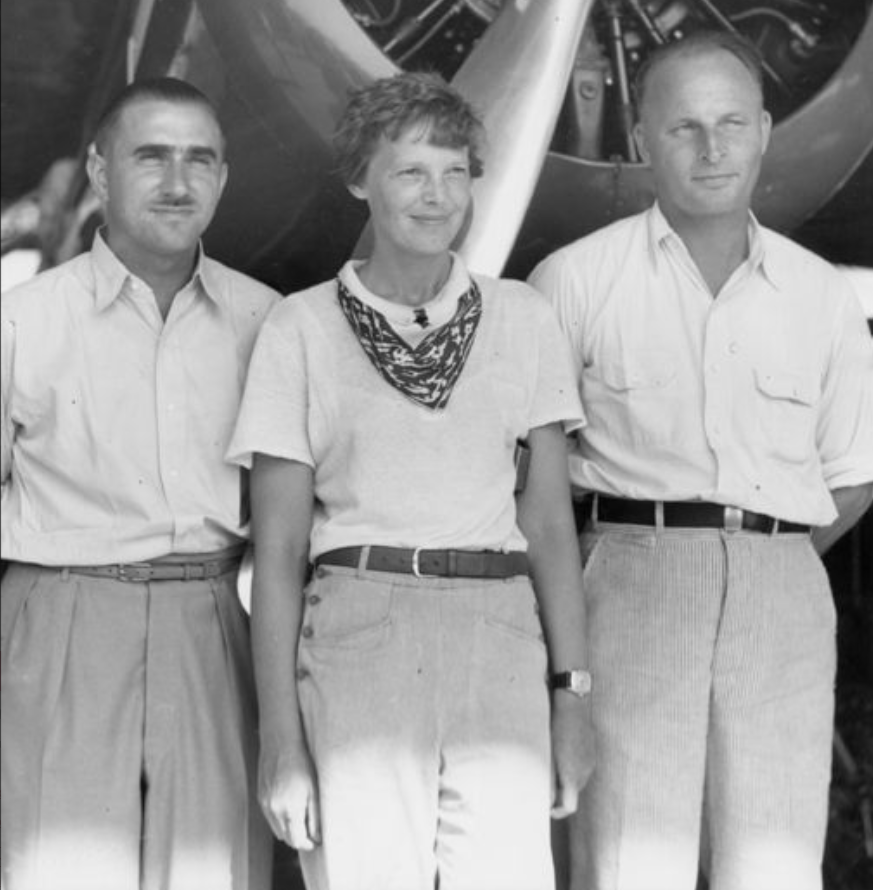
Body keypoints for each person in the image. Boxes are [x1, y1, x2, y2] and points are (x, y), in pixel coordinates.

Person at [227, 70, 595, 890]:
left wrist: (571, 696)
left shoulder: (523, 320)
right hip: (360, 630)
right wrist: (281, 739)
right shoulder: (300, 327)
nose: (436, 196)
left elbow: (549, 529)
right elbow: (279, 550)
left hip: (499, 634)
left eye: (455, 171)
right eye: (409, 172)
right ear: (361, 180)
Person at [529, 30, 873, 890]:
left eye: (730, 123)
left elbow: (855, 469)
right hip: (629, 579)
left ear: (762, 130)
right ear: (642, 142)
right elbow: (532, 484)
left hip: (780, 587)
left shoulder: (824, 294)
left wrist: (760, 557)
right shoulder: (570, 282)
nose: (712, 148)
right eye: (684, 128)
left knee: (772, 865)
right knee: (626, 860)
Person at [1, 77, 278, 890]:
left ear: (223, 179)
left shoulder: (270, 324)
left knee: (213, 870)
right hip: (61, 616)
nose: (177, 181)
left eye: (199, 160)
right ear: (97, 171)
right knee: (57, 867)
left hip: (213, 620)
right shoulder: (21, 321)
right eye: (150, 156)